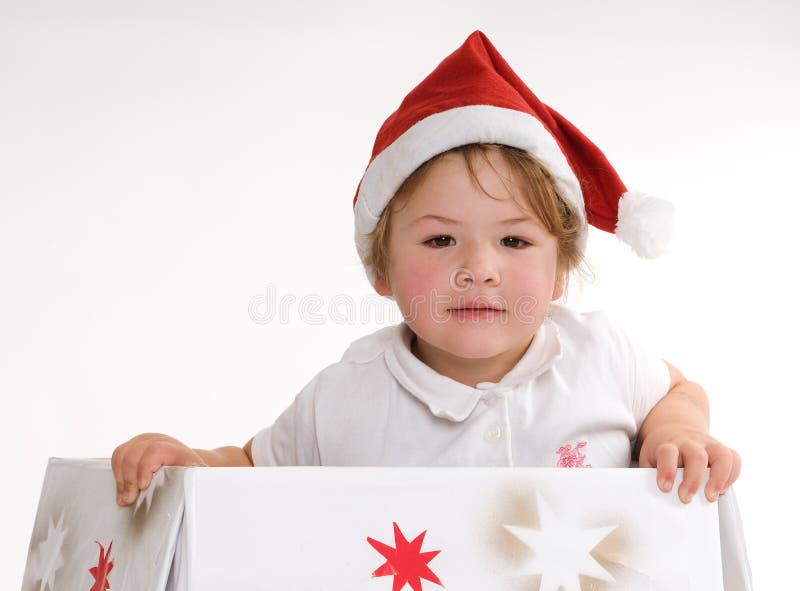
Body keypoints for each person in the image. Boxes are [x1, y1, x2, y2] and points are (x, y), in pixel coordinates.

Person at [112, 31, 740, 510]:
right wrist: (190, 462)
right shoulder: (346, 397)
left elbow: (680, 392)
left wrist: (677, 433)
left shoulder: (600, 354)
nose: (478, 268)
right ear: (381, 269)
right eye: (441, 239)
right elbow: (255, 469)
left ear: (559, 275)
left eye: (515, 242)